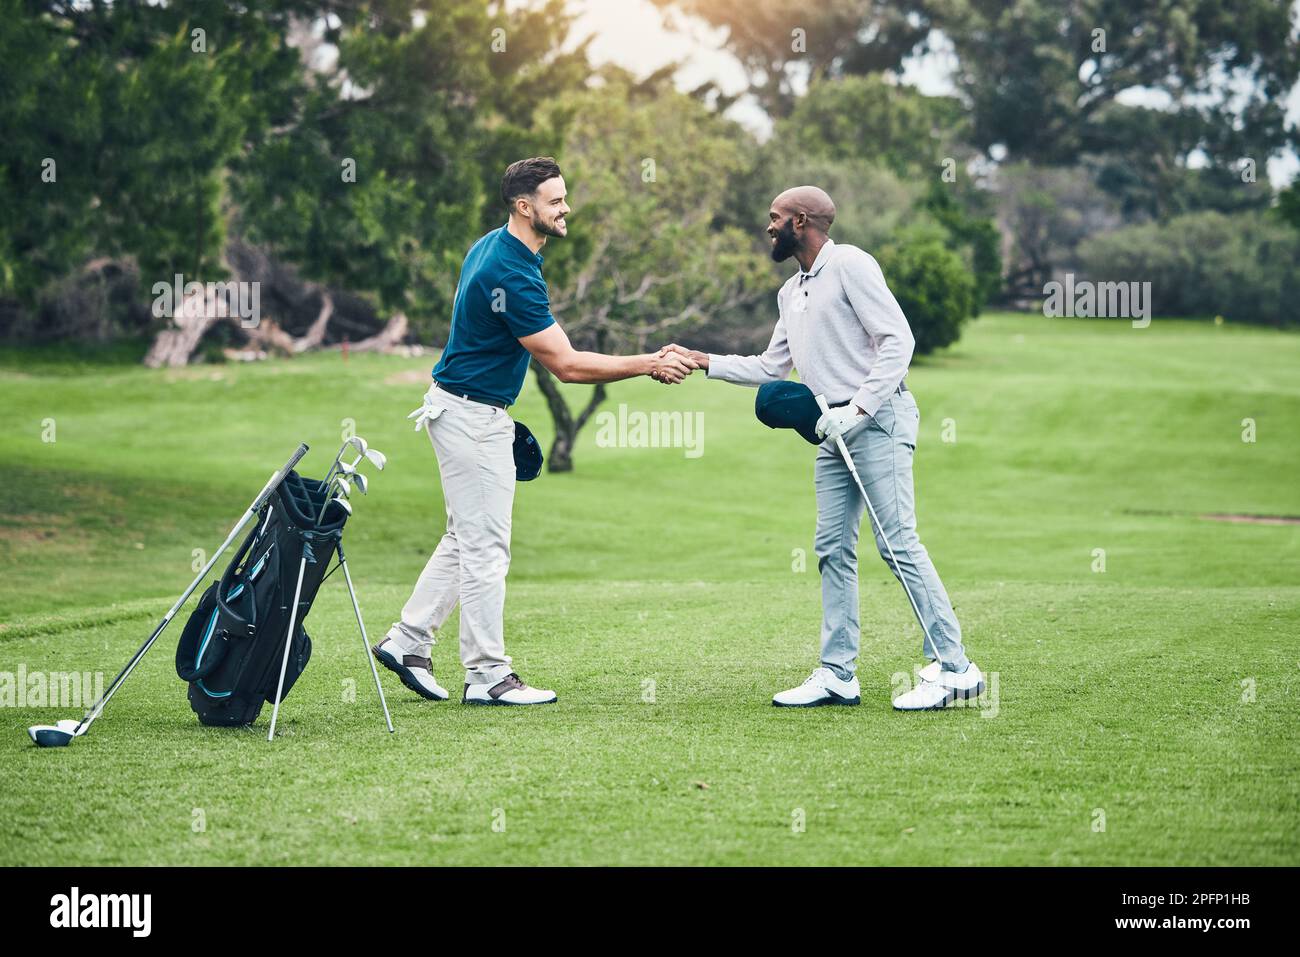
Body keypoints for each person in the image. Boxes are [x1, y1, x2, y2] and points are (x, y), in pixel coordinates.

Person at [373, 156, 696, 706]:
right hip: (471, 419)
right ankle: (487, 676)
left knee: (464, 538)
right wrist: (647, 362)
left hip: (466, 410)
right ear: (525, 208)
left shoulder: (496, 246)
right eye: (555, 201)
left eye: (565, 197)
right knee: (485, 550)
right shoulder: (512, 272)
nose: (566, 208)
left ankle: (408, 642)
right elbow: (566, 366)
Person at [666, 186, 983, 710]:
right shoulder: (790, 292)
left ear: (802, 220)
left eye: (775, 218)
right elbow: (771, 367)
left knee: (897, 543)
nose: (768, 227)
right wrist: (703, 360)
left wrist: (856, 410)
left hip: (877, 419)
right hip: (829, 432)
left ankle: (956, 668)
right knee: (832, 548)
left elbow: (897, 342)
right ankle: (838, 674)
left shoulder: (852, 265)